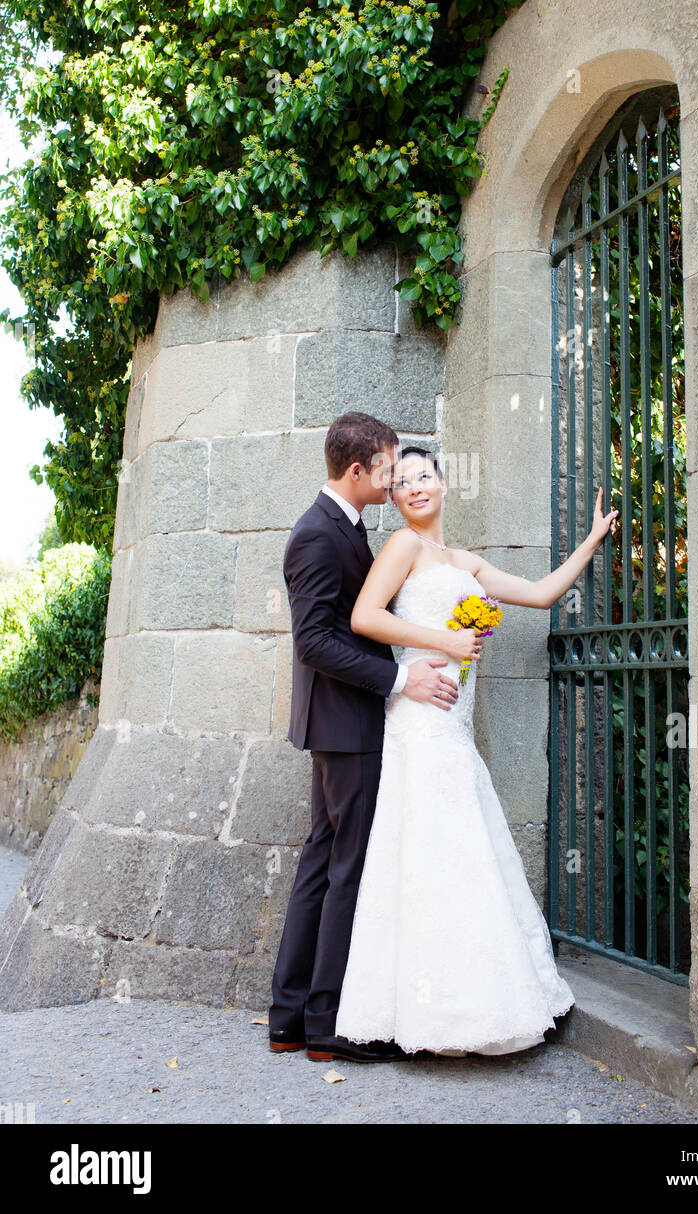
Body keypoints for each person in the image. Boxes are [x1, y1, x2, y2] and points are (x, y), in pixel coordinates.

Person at [333, 445, 619, 1057]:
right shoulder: (403, 547)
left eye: (423, 475)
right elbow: (363, 617)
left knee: (458, 847)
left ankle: (468, 1007)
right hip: (420, 710)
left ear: (443, 483)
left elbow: (542, 594)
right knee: (430, 846)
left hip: (453, 723)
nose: (413, 487)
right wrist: (448, 640)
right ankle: (426, 1017)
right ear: (393, 496)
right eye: (401, 481)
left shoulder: (461, 560)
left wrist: (592, 541)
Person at [268, 414, 462, 1064]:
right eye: (385, 468)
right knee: (344, 869)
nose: (393, 479)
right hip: (345, 724)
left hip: (342, 721)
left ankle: (289, 1018)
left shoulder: (344, 527)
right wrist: (399, 678)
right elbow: (315, 641)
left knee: (322, 865)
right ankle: (323, 1026)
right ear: (357, 471)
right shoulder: (316, 536)